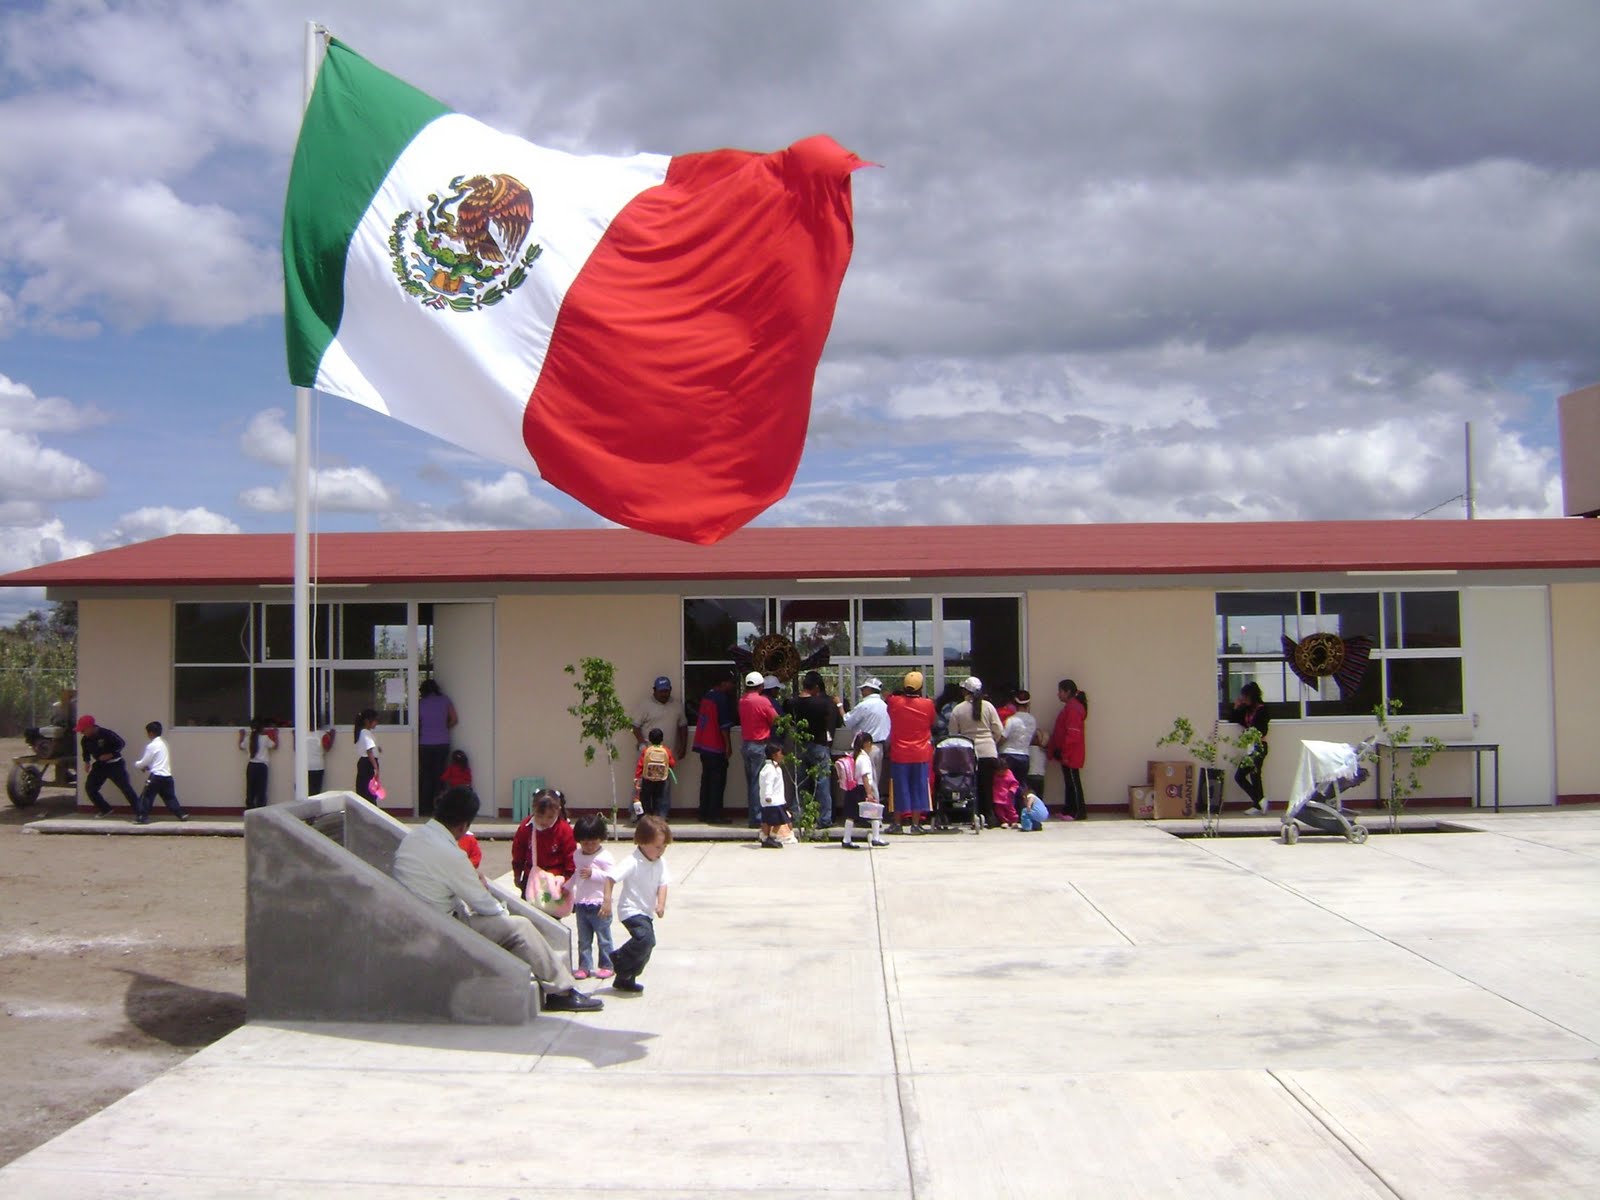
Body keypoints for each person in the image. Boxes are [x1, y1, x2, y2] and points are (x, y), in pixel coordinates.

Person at [391, 785, 601, 1013]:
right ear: (464, 825)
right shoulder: (451, 854)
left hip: (415, 924)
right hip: (443, 932)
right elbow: (484, 904)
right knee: (520, 927)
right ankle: (561, 991)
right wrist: (501, 909)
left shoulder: (413, 839)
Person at [601, 813, 672, 995]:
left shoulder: (660, 862)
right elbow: (610, 878)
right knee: (646, 939)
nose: (661, 851)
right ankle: (618, 958)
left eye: (664, 847)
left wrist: (661, 904)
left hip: (646, 911)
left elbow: (663, 884)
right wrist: (607, 901)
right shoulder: (632, 861)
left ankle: (625, 978)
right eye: (657, 847)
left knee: (647, 946)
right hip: (630, 910)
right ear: (642, 842)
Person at [946, 676, 1006, 829]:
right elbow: (998, 730)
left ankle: (972, 815)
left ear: (965, 691)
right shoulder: (989, 707)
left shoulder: (958, 709)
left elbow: (953, 734)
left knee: (970, 788)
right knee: (987, 787)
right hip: (988, 752)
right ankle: (989, 817)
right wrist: (992, 742)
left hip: (968, 754)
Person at [886, 671, 937, 833]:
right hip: (921, 753)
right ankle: (916, 824)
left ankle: (897, 824)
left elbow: (888, 697)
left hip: (899, 753)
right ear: (920, 688)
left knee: (899, 788)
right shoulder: (928, 704)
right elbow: (932, 722)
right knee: (919, 787)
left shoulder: (894, 702)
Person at [511, 790, 576, 917]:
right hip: (531, 878)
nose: (544, 821)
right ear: (533, 810)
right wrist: (517, 874)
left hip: (555, 882)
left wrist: (568, 882)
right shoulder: (526, 826)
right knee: (529, 915)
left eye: (550, 817)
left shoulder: (564, 830)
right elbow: (518, 851)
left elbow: (571, 858)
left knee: (552, 918)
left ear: (558, 810)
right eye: (539, 816)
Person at [632, 675, 687, 818]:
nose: (664, 694)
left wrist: (683, 746)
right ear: (654, 690)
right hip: (648, 755)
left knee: (664, 788)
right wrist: (642, 743)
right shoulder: (645, 705)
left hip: (665, 756)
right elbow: (635, 726)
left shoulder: (676, 705)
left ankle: (661, 815)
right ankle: (639, 814)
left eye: (667, 691)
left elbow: (683, 726)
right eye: (661, 691)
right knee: (643, 788)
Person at [792, 670, 841, 827]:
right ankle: (824, 819)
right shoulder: (824, 704)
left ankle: (798, 817)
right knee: (822, 784)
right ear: (815, 687)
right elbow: (833, 722)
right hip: (819, 746)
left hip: (800, 746)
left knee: (800, 784)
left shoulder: (792, 703)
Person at [570, 813, 616, 980]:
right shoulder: (577, 855)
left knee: (604, 938)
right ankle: (585, 966)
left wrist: (593, 874)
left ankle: (607, 964)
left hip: (599, 904)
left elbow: (612, 877)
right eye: (585, 842)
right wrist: (567, 888)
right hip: (582, 903)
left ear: (601, 839)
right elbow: (576, 875)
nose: (589, 846)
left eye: (593, 842)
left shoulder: (605, 856)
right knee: (583, 940)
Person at [75, 715, 141, 817]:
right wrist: (87, 762)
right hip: (100, 766)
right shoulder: (85, 740)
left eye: (83, 730)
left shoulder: (106, 734)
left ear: (90, 727)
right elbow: (86, 753)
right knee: (90, 788)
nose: (82, 732)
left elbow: (121, 744)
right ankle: (105, 809)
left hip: (115, 764)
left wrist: (111, 754)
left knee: (126, 788)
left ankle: (140, 812)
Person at [691, 673, 736, 822]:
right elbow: (724, 725)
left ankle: (703, 812)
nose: (732, 686)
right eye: (730, 683)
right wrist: (728, 745)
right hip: (716, 745)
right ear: (723, 683)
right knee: (717, 782)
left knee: (706, 780)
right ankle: (715, 815)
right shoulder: (720, 698)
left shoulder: (707, 696)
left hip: (704, 745)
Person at [737, 670, 778, 828]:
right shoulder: (763, 701)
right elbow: (776, 720)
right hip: (759, 745)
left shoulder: (742, 701)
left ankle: (754, 816)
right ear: (761, 686)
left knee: (751, 782)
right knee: (758, 783)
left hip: (746, 744)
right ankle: (757, 818)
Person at [1045, 679, 1089, 821]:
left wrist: (1065, 753)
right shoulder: (1071, 707)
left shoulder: (1073, 709)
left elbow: (1072, 734)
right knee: (1069, 782)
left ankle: (1078, 812)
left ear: (1067, 692)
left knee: (1073, 782)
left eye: (1060, 691)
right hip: (1068, 752)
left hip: (1071, 754)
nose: (1058, 694)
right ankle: (1069, 809)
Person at [843, 676, 890, 804]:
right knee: (873, 780)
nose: (862, 691)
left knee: (866, 781)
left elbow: (847, 721)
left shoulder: (864, 705)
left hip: (866, 748)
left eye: (864, 689)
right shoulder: (884, 705)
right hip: (879, 746)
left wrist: (839, 706)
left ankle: (872, 815)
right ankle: (871, 813)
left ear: (869, 689)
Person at [416, 679, 459, 819]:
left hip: (425, 743)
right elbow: (454, 719)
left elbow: (417, 723)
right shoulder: (445, 700)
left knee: (426, 775)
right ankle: (439, 806)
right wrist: (443, 728)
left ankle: (425, 807)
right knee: (440, 775)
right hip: (442, 742)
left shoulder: (420, 703)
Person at [839, 732, 889, 849]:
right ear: (867, 744)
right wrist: (869, 793)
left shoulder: (855, 756)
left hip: (854, 789)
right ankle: (876, 838)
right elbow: (865, 776)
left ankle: (846, 839)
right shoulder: (864, 758)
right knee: (875, 813)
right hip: (862, 789)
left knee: (850, 815)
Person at [132, 721, 187, 824]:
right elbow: (158, 761)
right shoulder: (163, 744)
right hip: (167, 776)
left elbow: (144, 761)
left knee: (146, 797)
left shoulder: (152, 746)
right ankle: (181, 814)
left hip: (156, 777)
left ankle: (142, 817)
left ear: (151, 733)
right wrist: (148, 767)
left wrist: (137, 764)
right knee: (170, 797)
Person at [1231, 681, 1271, 813]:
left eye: (1246, 697)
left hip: (1259, 747)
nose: (1244, 699)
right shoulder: (1247, 710)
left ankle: (1259, 802)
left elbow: (1262, 730)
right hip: (1250, 747)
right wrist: (1236, 707)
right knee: (1243, 776)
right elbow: (1234, 719)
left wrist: (1251, 733)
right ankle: (1259, 802)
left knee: (1253, 774)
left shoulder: (1262, 710)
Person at [999, 689, 1039, 798]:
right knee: (1021, 785)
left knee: (1007, 785)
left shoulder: (1011, 720)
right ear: (1028, 704)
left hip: (1008, 755)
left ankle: (1009, 812)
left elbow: (1003, 738)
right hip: (1024, 755)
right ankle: (1021, 810)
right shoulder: (1032, 720)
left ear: (1014, 703)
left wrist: (996, 745)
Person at [633, 728, 677, 821]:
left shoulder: (647, 750)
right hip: (662, 779)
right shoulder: (666, 750)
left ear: (649, 739)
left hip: (647, 779)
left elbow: (640, 765)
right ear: (662, 739)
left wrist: (637, 778)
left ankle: (646, 817)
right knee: (660, 799)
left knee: (646, 799)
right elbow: (672, 763)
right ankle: (660, 818)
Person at [237, 716, 278, 810]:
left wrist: (241, 735)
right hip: (262, 766)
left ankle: (250, 806)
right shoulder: (265, 738)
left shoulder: (248, 738)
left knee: (250, 788)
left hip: (251, 766)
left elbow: (240, 746)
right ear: (262, 728)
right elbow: (275, 746)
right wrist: (275, 734)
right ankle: (261, 808)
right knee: (261, 789)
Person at [757, 742, 789, 849]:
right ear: (774, 755)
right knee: (778, 821)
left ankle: (767, 838)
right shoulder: (770, 769)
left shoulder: (775, 768)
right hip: (772, 801)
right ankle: (770, 837)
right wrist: (768, 796)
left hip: (777, 800)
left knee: (768, 821)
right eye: (781, 753)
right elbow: (768, 783)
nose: (782, 756)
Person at [353, 708, 381, 803]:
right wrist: (375, 766)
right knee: (368, 790)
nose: (376, 723)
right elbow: (369, 751)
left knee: (367, 788)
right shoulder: (365, 733)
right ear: (367, 721)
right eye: (375, 720)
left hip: (366, 763)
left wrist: (378, 749)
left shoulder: (366, 733)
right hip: (368, 763)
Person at [305, 722, 335, 796]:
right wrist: (333, 737)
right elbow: (327, 748)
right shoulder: (322, 734)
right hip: (318, 766)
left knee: (305, 792)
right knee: (315, 793)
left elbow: (296, 748)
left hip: (304, 766)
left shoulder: (302, 733)